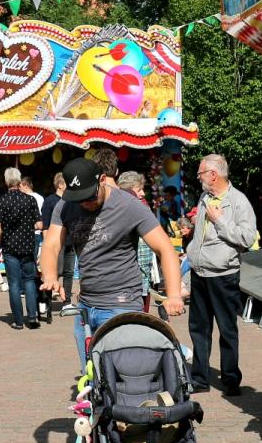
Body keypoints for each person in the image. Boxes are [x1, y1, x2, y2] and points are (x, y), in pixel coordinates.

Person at [41, 158, 185, 371]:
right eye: (78, 199)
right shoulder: (66, 205)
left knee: (124, 374)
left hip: (122, 304)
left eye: (89, 197)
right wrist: (51, 277)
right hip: (86, 306)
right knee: (91, 375)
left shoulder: (129, 205)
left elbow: (165, 249)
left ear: (102, 180)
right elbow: (52, 244)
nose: (84, 203)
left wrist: (173, 295)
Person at [185, 154, 257, 395]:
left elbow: (247, 238)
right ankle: (200, 379)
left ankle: (230, 379)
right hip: (200, 272)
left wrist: (220, 221)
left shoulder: (238, 201)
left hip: (223, 274)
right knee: (199, 328)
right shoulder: (205, 196)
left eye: (201, 173)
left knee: (227, 329)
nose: (198, 178)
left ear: (213, 175)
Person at [0, 167, 42, 330]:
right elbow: (39, 224)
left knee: (13, 283)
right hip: (28, 246)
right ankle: (33, 317)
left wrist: (1, 240)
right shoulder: (30, 200)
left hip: (10, 247)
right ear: (20, 181)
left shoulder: (0, 201)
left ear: (6, 181)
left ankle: (19, 321)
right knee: (29, 280)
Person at [115, 171, 157, 306]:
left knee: (143, 298)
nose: (143, 193)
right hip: (125, 270)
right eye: (139, 190)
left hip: (143, 267)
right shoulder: (116, 206)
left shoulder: (143, 205)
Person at [40, 173, 75, 303]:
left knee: (69, 272)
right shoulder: (50, 201)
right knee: (56, 272)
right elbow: (46, 224)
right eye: (68, 183)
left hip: (70, 241)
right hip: (57, 243)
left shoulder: (72, 201)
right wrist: (46, 243)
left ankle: (67, 301)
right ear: (60, 185)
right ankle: (46, 300)